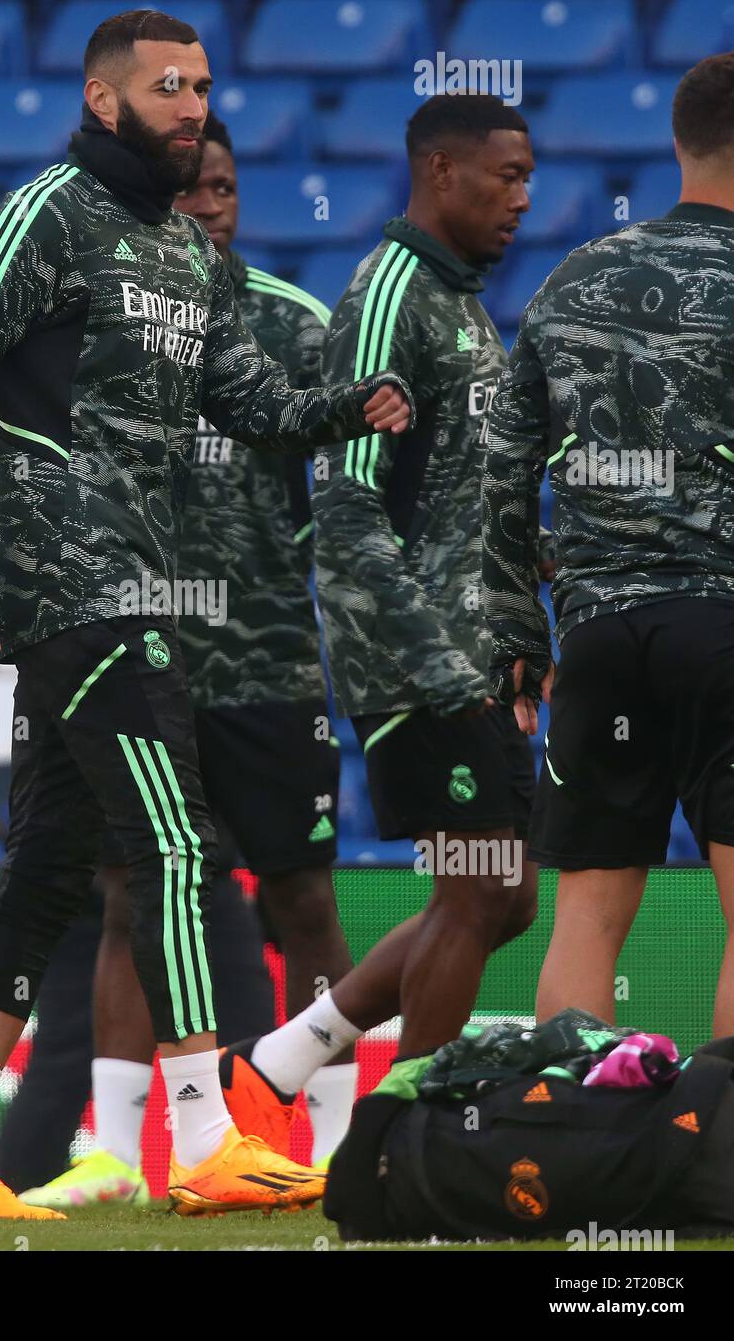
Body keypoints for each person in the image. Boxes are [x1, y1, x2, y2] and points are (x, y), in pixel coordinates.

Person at [0, 9, 413, 1220]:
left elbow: (251, 400)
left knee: (49, 870)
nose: (193, 106)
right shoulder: (47, 214)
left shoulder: (187, 253)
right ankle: (206, 1131)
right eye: (170, 87)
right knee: (177, 848)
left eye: (205, 88)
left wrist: (352, 406)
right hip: (76, 583)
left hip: (140, 578)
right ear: (103, 97)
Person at [15, 114, 356, 1211]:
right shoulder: (112, 313)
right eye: (189, 192)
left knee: (302, 899)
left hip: (267, 667)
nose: (207, 207)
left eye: (223, 188)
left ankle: (339, 1147)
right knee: (129, 893)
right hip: (132, 653)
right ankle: (115, 1157)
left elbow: (341, 496)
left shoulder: (295, 326)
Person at [217, 93, 546, 1148]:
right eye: (505, 176)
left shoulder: (461, 298)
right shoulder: (391, 293)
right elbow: (349, 508)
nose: (523, 199)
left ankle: (289, 1049)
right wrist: (431, 658)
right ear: (440, 171)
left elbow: (461, 493)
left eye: (531, 177)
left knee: (510, 895)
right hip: (419, 657)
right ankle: (398, 1142)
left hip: (474, 650)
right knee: (474, 890)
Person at [482, 51, 734, 1039]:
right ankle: (719, 1158)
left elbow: (500, 478)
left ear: (679, 141)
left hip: (597, 638)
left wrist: (525, 640)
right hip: (722, 626)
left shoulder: (571, 278)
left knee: (586, 913)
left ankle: (558, 1141)